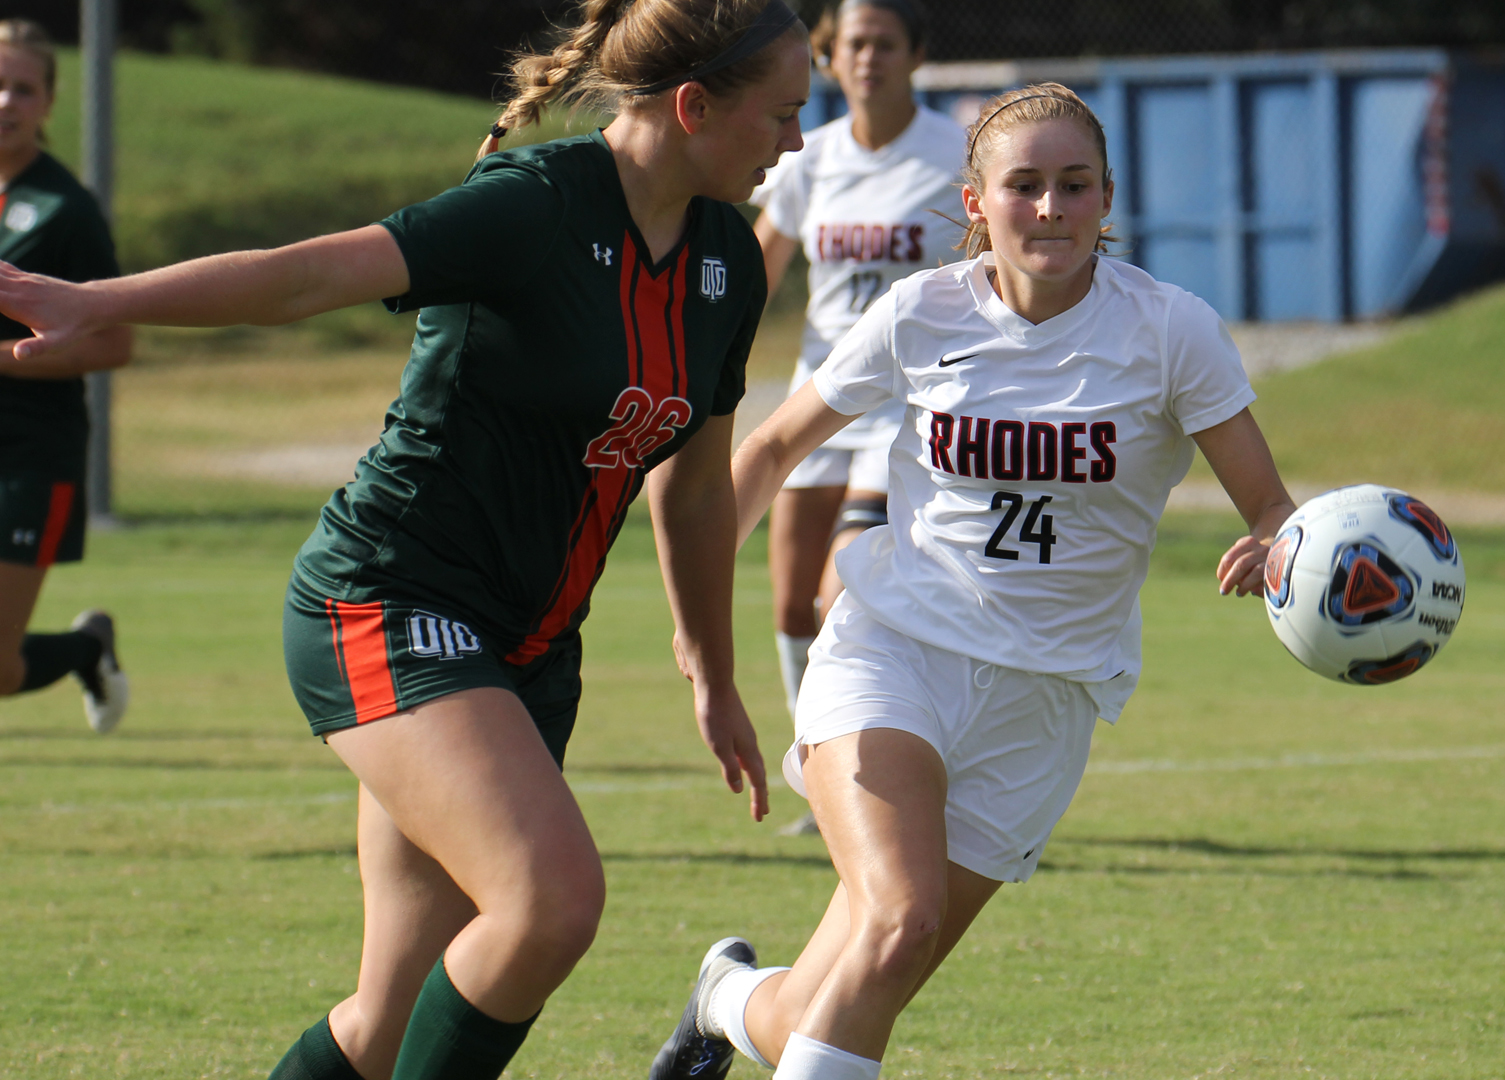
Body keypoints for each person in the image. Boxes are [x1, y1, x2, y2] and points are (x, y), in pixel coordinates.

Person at [0, 3, 810, 1078]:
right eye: (787, 114)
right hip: (387, 599)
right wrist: (91, 298)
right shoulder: (532, 206)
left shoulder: (727, 262)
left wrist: (710, 666)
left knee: (382, 1028)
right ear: (696, 106)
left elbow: (697, 489)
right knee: (549, 903)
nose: (798, 142)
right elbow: (305, 276)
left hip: (528, 650)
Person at [649, 83, 1297, 1080]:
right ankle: (732, 1001)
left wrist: (1275, 543)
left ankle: (724, 998)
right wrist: (694, 610)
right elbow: (774, 446)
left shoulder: (1173, 332)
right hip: (894, 654)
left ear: (1107, 199)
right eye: (1024, 186)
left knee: (834, 999)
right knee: (901, 922)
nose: (1049, 210)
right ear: (975, 203)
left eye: (1073, 187)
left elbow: (1271, 504)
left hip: (1048, 701)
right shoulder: (923, 312)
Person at [750, 0, 965, 747]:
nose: (867, 57)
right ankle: (817, 762)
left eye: (884, 43)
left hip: (905, 403)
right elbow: (756, 271)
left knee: (841, 591)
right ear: (827, 56)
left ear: (916, 54)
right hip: (818, 397)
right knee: (788, 606)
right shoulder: (810, 156)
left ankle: (865, 757)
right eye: (852, 43)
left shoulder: (956, 154)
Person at [0, 18, 132, 734]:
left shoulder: (65, 209)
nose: (4, 101)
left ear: (48, 103)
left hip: (27, 455)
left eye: (22, 88)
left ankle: (87, 649)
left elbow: (115, 342)